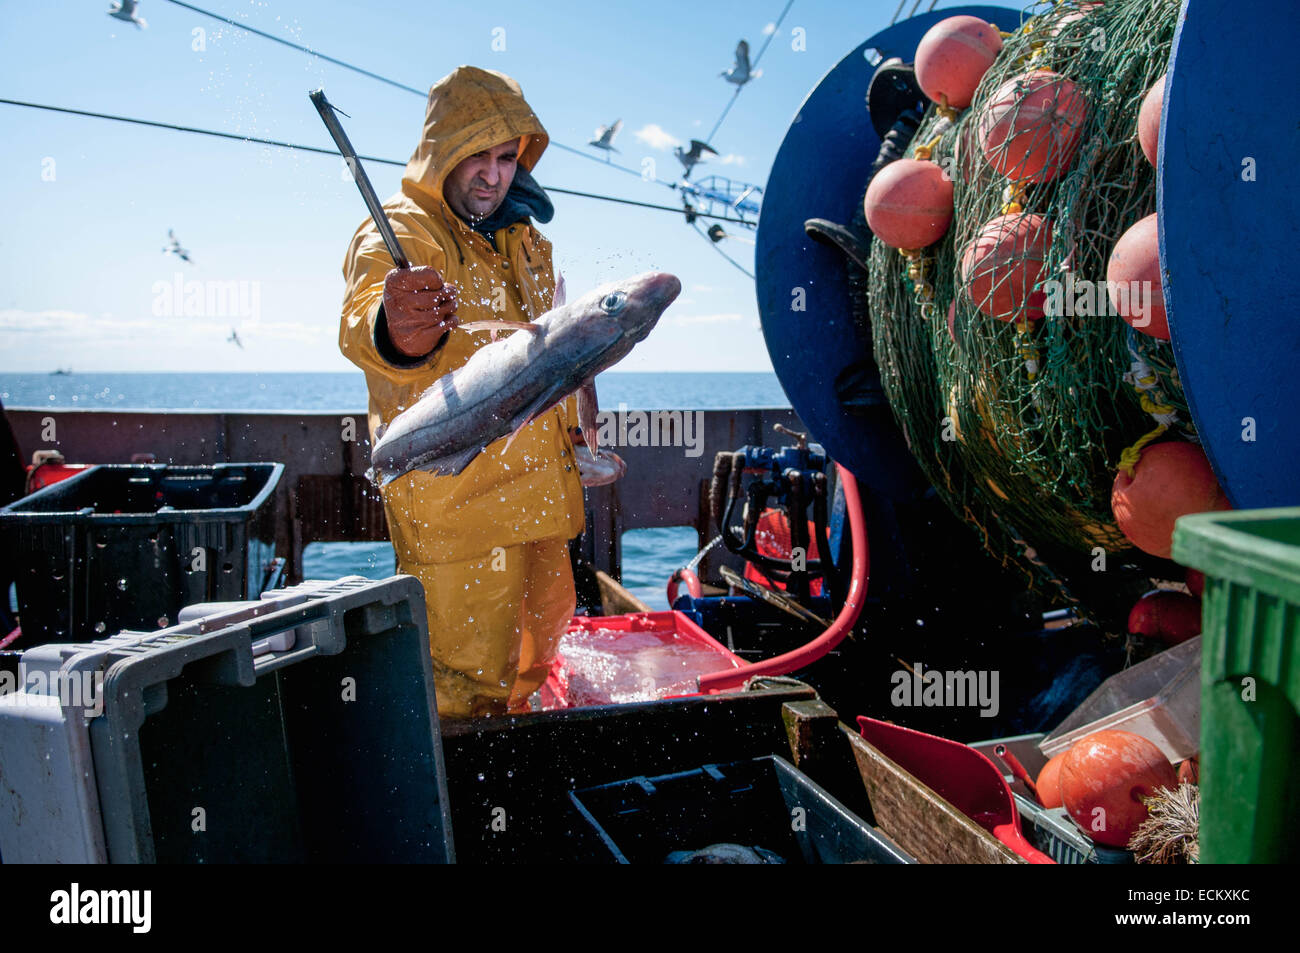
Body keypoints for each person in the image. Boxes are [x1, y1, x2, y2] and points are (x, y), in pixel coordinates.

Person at [340, 66, 584, 718]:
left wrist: (579, 439)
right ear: (441, 150)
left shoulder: (527, 240)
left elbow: (553, 353)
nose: (492, 173)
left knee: (536, 661)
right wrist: (395, 326)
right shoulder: (404, 229)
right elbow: (366, 317)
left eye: (507, 157)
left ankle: (516, 781)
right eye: (476, 152)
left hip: (544, 502)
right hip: (460, 513)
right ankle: (464, 810)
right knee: (460, 691)